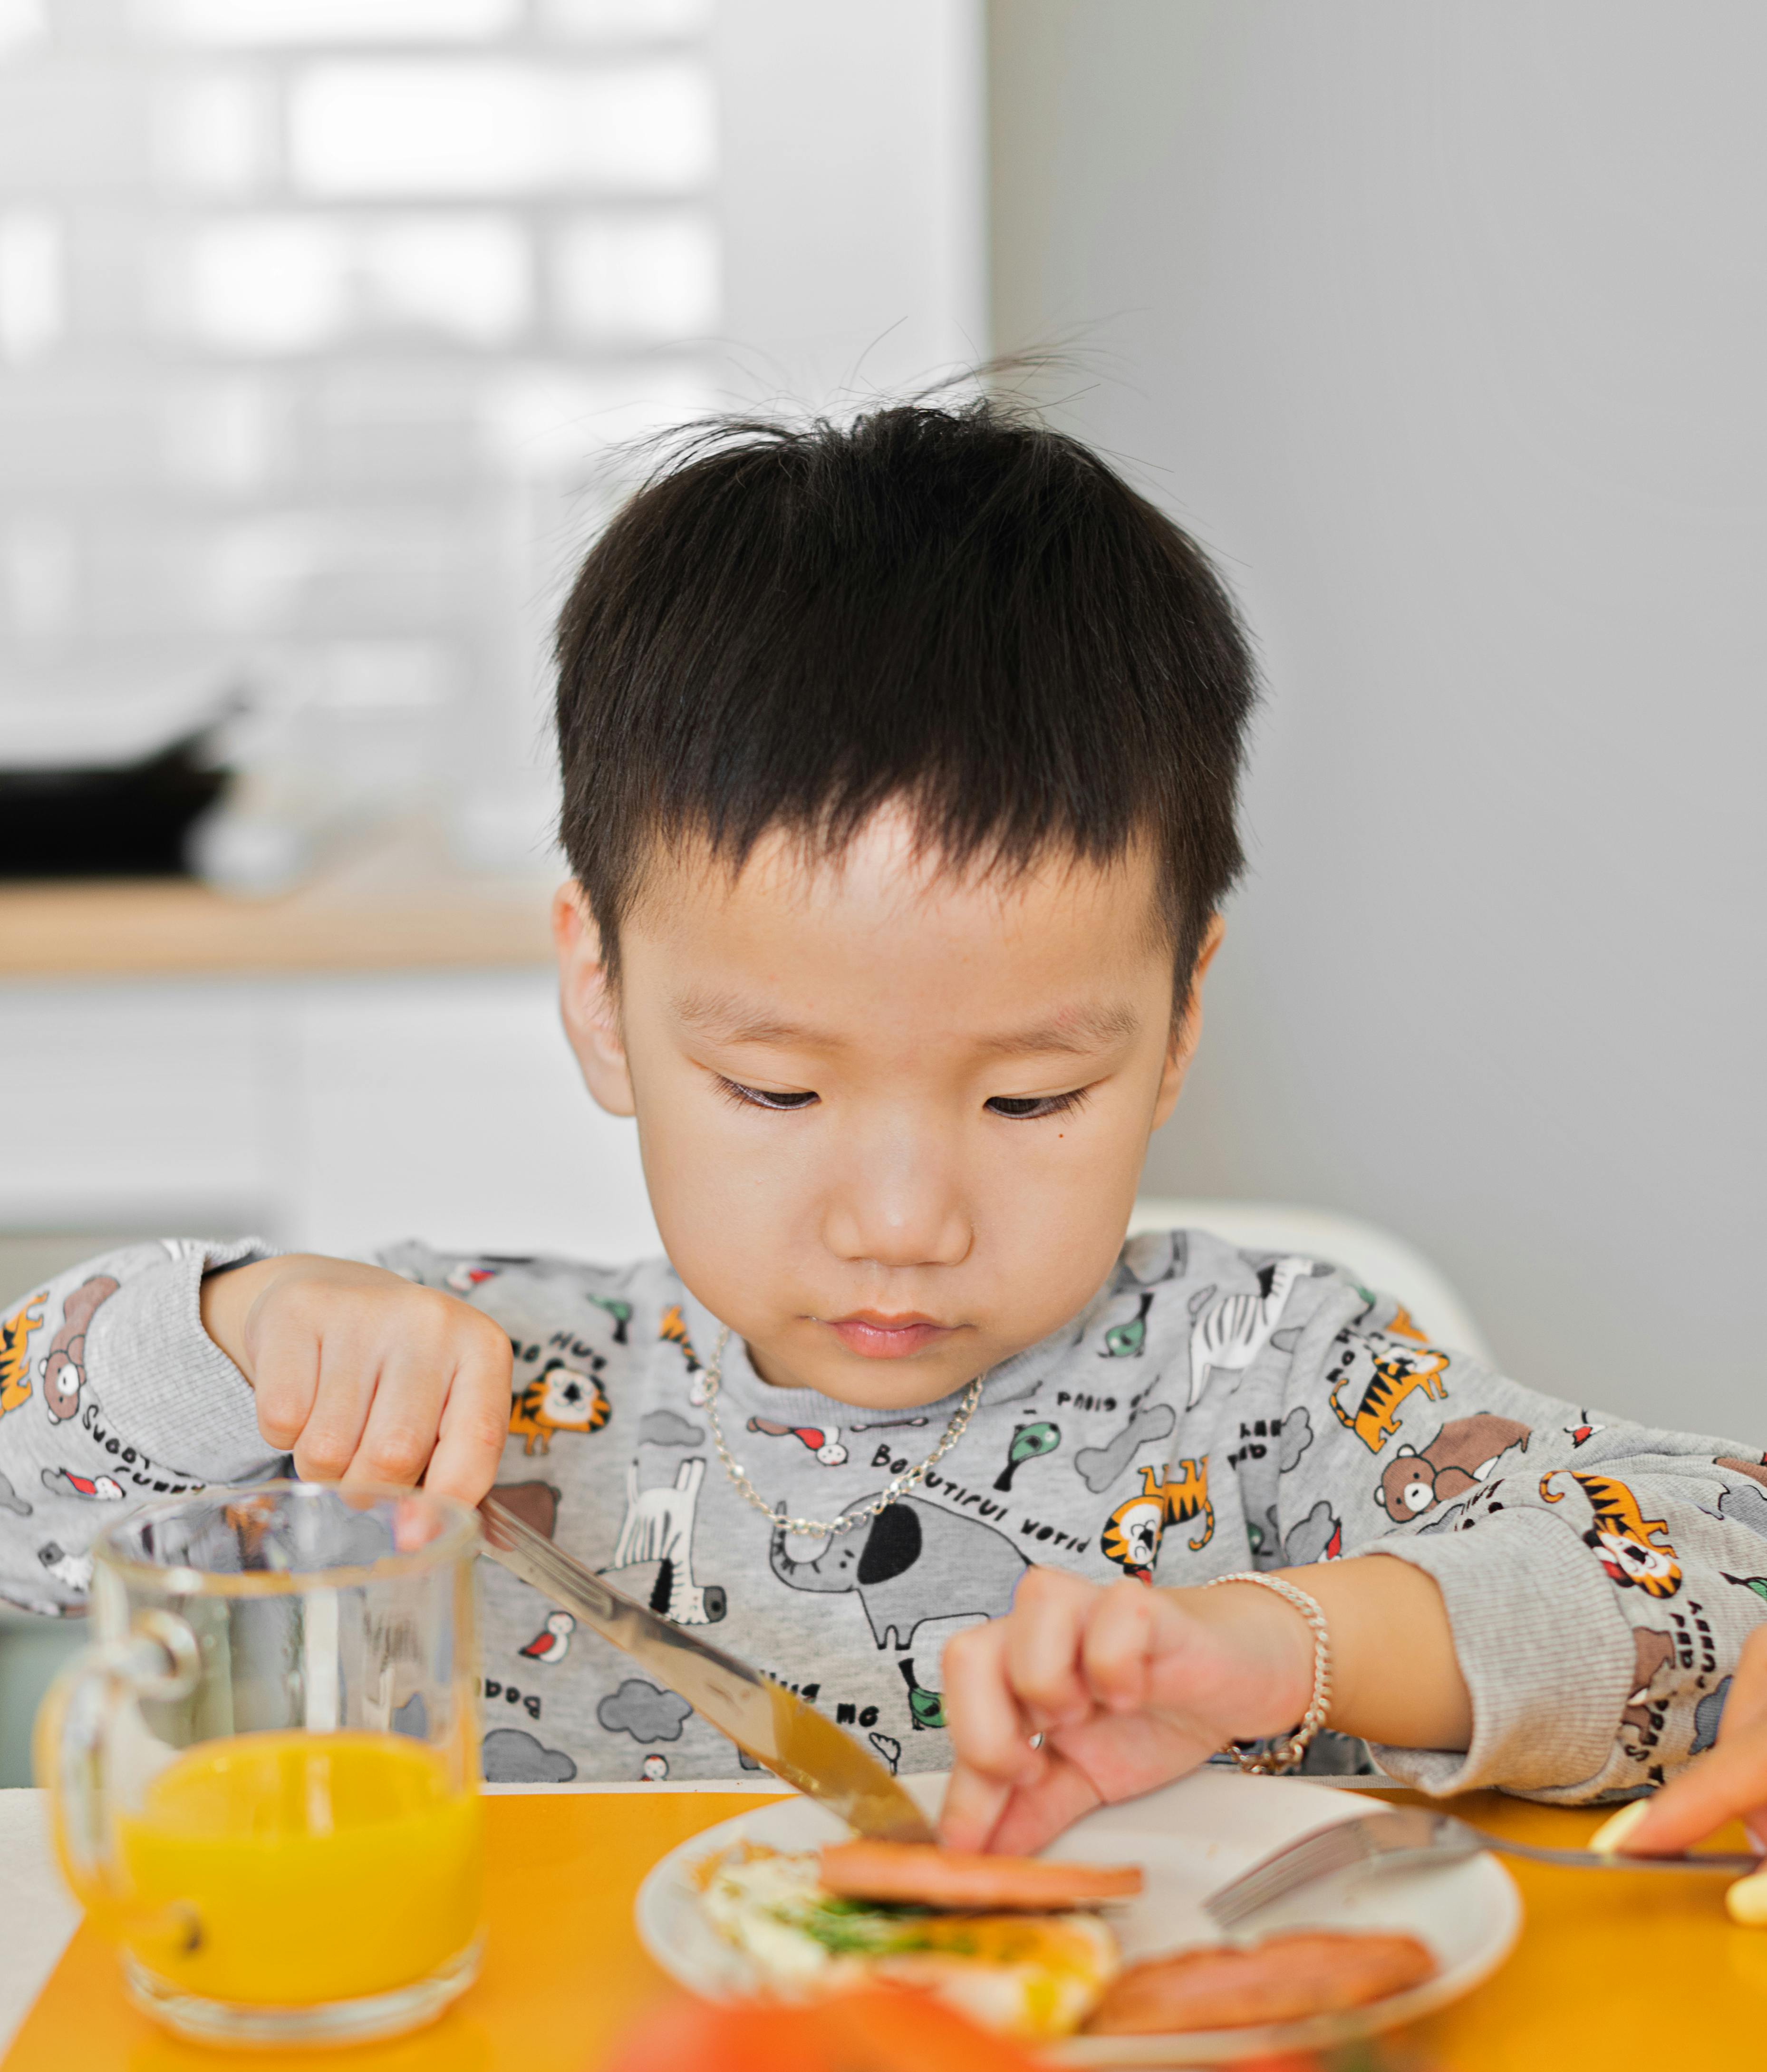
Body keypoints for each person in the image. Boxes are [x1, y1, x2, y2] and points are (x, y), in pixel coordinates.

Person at [5, 401, 1764, 1888]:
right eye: (778, 1091)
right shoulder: (445, 1405)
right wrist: (234, 1330)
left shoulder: (1270, 1385)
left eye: (1028, 1102)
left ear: (1179, 1017)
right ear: (604, 1000)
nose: (906, 1219)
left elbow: (1720, 1564)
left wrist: (1276, 1646)